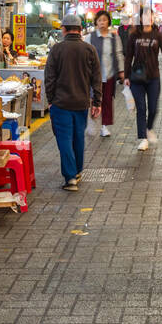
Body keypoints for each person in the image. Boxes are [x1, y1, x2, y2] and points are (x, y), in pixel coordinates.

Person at [44, 13, 102, 191]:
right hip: (81, 103)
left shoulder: (57, 49)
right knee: (78, 138)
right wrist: (97, 102)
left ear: (64, 29)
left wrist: (51, 99)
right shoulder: (89, 49)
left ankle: (70, 178)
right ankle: (77, 171)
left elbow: (49, 78)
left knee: (64, 140)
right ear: (80, 30)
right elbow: (96, 78)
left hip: (61, 104)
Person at [124, 5, 162, 151]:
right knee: (141, 108)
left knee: (153, 108)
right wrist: (126, 75)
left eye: (150, 15)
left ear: (153, 18)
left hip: (154, 77)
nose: (148, 18)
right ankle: (142, 138)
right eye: (145, 15)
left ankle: (149, 129)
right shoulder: (134, 35)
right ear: (140, 18)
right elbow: (128, 56)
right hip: (137, 78)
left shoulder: (158, 35)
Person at [87, 10, 125, 137]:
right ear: (96, 22)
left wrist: (121, 71)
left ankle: (104, 126)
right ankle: (92, 122)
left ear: (108, 21)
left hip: (109, 74)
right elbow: (85, 55)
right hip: (94, 76)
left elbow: (119, 54)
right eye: (99, 20)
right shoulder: (90, 37)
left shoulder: (114, 37)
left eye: (104, 20)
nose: (102, 22)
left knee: (108, 100)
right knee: (94, 99)